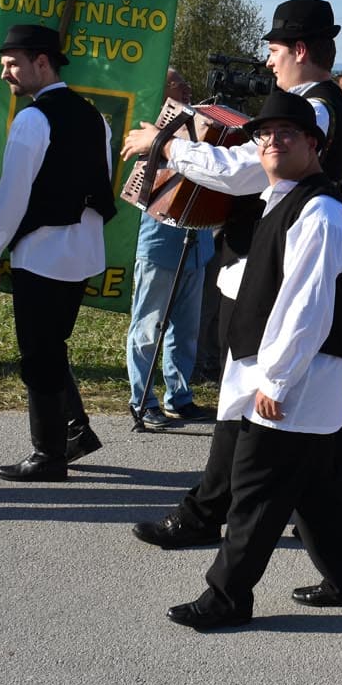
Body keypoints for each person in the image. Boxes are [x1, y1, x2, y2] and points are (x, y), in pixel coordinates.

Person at [123, 0, 342, 548]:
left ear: (300, 50)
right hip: (280, 259)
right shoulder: (323, 104)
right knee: (317, 398)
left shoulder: (314, 109)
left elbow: (243, 173)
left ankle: (207, 514)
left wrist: (166, 144)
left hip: (275, 270)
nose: (269, 62)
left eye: (275, 50)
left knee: (245, 395)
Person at [165, 89, 342, 631]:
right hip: (284, 374)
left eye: (287, 134)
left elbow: (306, 306)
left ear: (314, 145)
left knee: (255, 488)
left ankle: (227, 597)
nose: (273, 142)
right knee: (316, 490)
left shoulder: (321, 212)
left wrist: (276, 381)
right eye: (264, 134)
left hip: (297, 379)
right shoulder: (282, 202)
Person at [0, 24, 116, 482]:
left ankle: (48, 454)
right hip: (81, 252)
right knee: (51, 347)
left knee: (38, 354)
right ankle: (75, 430)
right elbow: (103, 181)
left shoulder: (33, 119)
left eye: (12, 64)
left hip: (42, 253)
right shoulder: (95, 117)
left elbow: (13, 195)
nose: (5, 75)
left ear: (42, 62)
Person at [126, 68, 215, 428]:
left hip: (196, 242)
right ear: (162, 91)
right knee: (149, 325)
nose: (188, 87)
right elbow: (143, 185)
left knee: (185, 327)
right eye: (179, 83)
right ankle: (141, 399)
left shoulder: (203, 127)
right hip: (160, 243)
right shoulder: (150, 132)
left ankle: (178, 396)